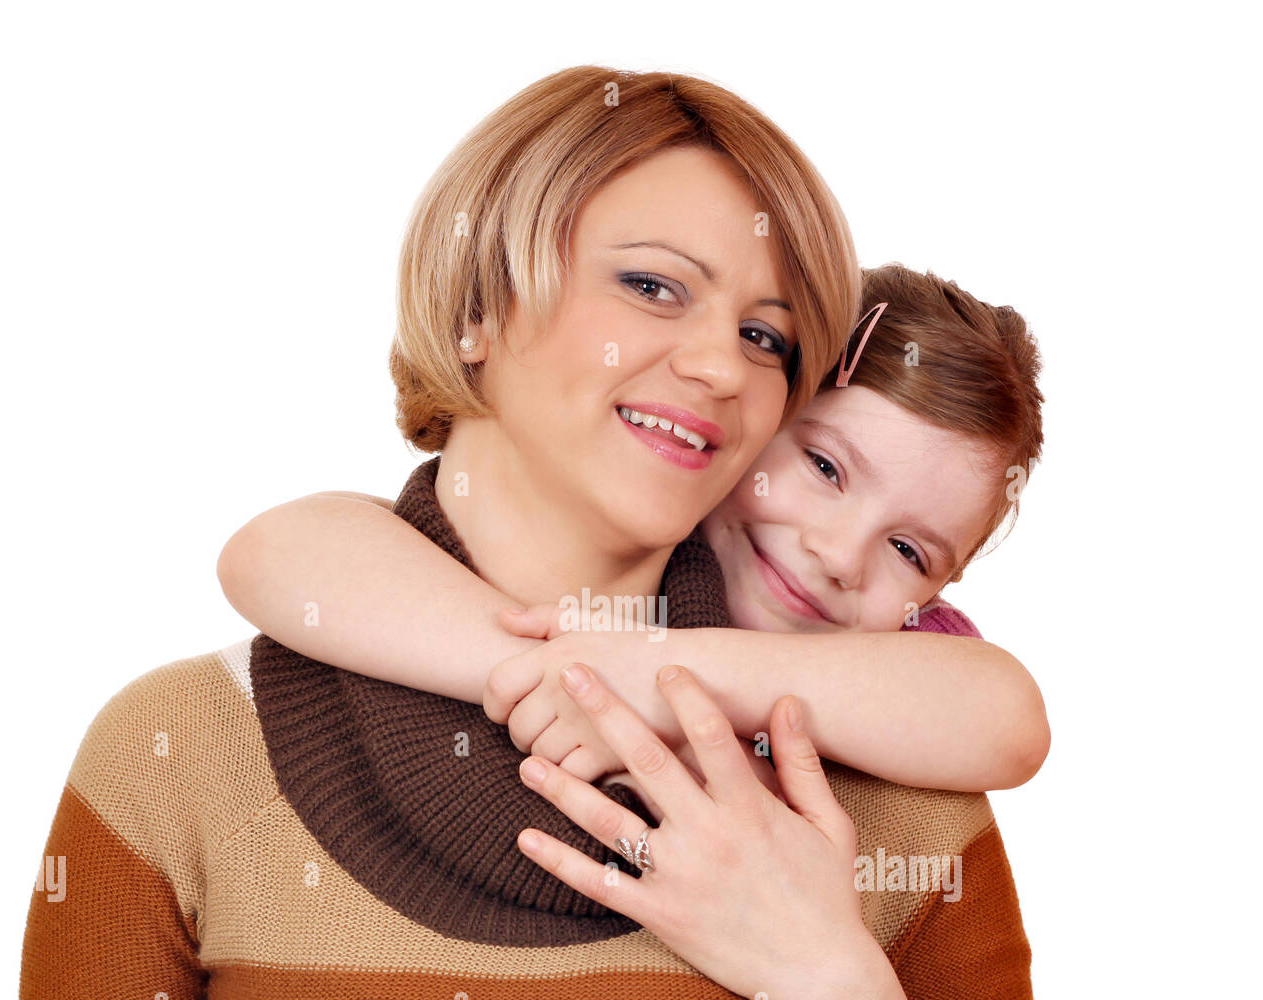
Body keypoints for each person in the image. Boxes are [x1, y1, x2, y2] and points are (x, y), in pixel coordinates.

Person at [12, 66, 1083, 1000]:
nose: (723, 366)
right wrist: (581, 671)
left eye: (766, 338)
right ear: (478, 302)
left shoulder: (884, 782)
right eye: (651, 284)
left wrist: (828, 981)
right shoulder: (175, 757)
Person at [217, 264, 1051, 796]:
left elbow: (1009, 721)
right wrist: (575, 673)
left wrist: (666, 673)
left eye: (909, 552)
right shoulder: (638, 535)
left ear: (939, 593)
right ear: (753, 420)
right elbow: (274, 550)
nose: (839, 556)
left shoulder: (905, 658)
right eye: (825, 469)